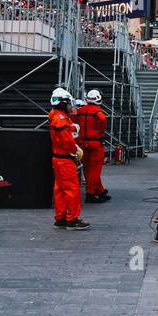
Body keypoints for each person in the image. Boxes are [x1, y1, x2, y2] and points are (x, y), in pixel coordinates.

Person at [49, 87, 89, 230]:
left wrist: (72, 128)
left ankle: (60, 219)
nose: (70, 106)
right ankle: (72, 219)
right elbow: (67, 141)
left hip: (57, 159)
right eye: (68, 103)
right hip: (65, 160)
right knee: (72, 189)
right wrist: (76, 149)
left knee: (59, 189)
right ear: (62, 103)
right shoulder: (61, 119)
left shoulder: (55, 116)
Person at [75, 89, 110, 204]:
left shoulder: (80, 111)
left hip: (82, 143)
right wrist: (100, 132)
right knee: (95, 170)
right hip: (95, 143)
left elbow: (73, 123)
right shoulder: (97, 111)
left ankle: (100, 191)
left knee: (87, 169)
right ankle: (90, 194)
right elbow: (103, 120)